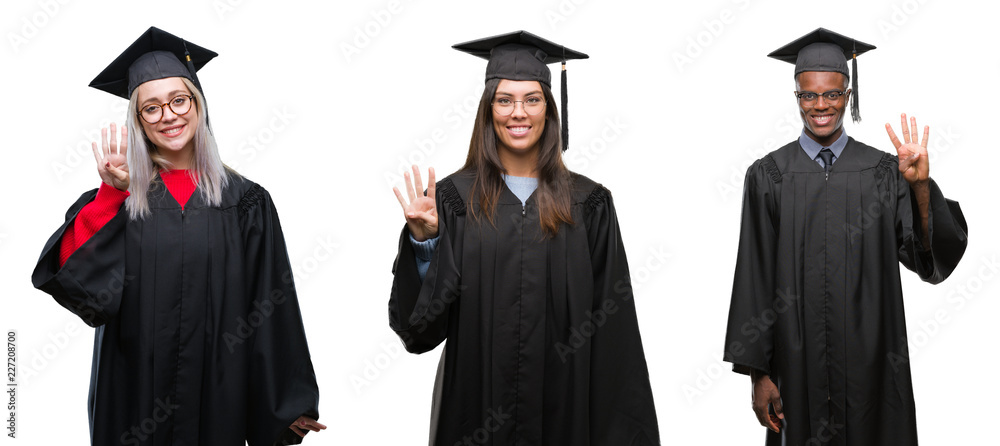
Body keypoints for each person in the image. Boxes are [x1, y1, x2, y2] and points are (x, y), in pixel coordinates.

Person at [30, 27, 325, 445]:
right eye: (150, 108)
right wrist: (111, 196)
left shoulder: (245, 202)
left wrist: (287, 402)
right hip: (132, 397)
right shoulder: (120, 198)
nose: (168, 115)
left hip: (219, 395)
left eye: (178, 100)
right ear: (137, 121)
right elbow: (80, 288)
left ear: (198, 105)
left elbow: (270, 302)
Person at [389, 31, 660, 445]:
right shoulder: (452, 200)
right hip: (473, 415)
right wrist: (425, 246)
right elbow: (421, 332)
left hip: (565, 414)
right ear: (488, 110)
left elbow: (615, 334)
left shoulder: (588, 204)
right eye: (505, 100)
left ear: (550, 110)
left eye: (532, 99)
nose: (519, 112)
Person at [723, 28, 968, 445]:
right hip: (795, 364)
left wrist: (921, 188)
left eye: (832, 94)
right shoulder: (770, 175)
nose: (821, 106)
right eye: (810, 95)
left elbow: (927, 259)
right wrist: (758, 375)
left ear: (848, 94)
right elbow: (754, 274)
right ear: (797, 95)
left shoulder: (884, 173)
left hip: (872, 363)